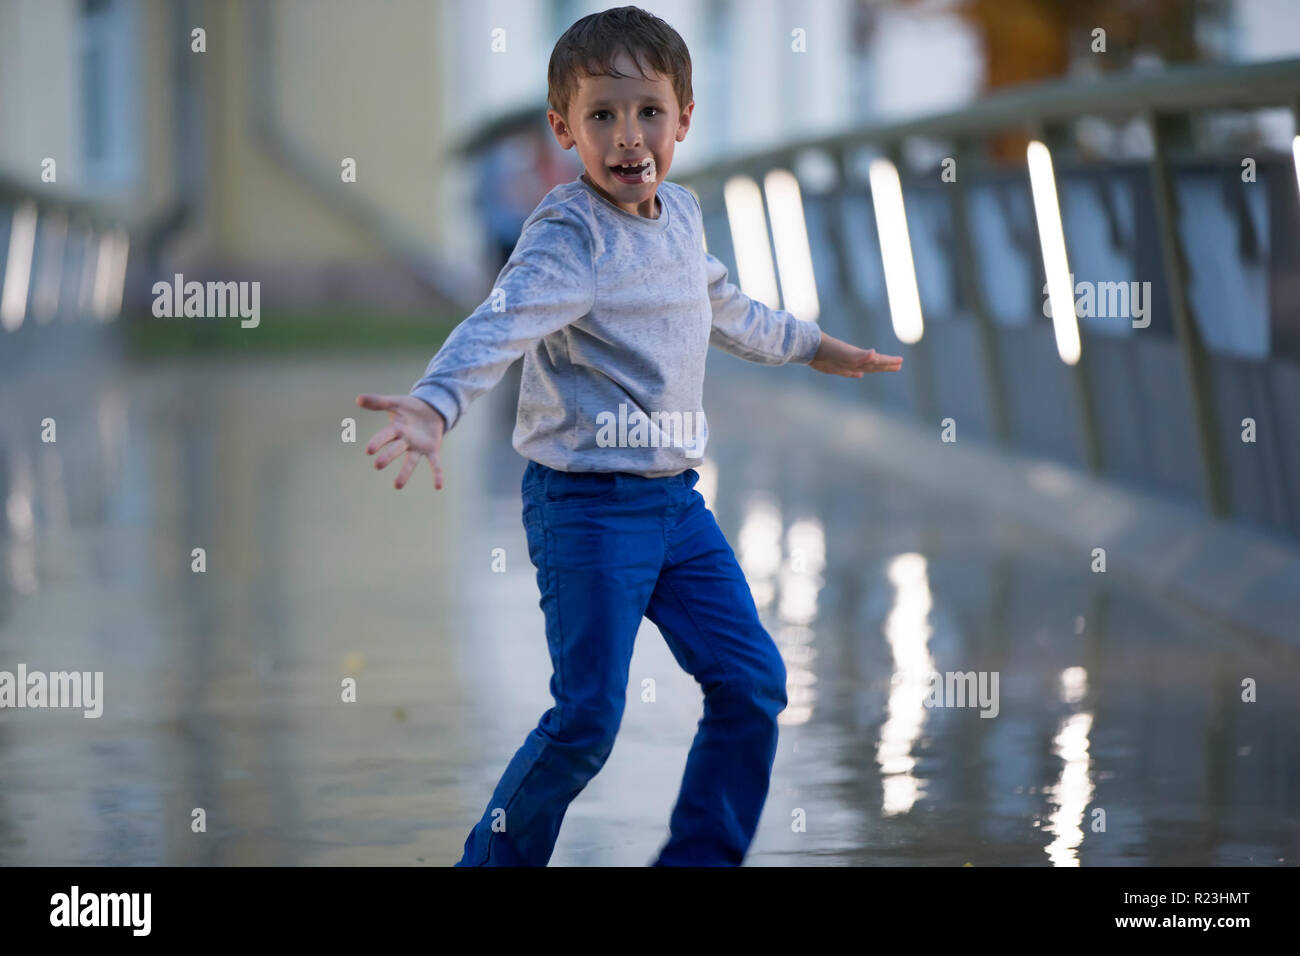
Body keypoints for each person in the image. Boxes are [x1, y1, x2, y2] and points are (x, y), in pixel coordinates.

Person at [356, 5, 902, 866]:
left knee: (751, 683)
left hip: (676, 507)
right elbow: (499, 322)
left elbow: (724, 306)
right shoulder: (568, 235)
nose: (626, 136)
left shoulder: (681, 215)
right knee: (586, 723)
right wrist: (434, 404)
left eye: (648, 111)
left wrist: (812, 347)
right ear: (563, 130)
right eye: (600, 116)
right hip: (586, 507)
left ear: (685, 117)